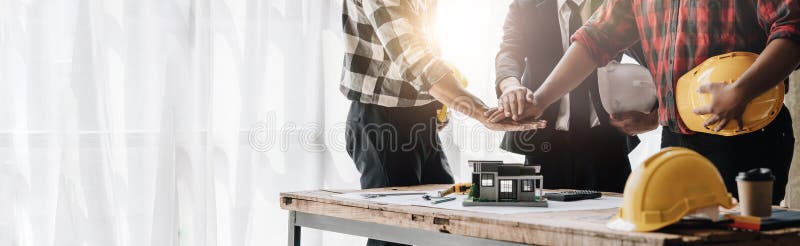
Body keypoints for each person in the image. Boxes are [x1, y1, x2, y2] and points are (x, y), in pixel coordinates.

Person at [489, 0, 800, 204]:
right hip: (677, 140)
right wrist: (541, 99)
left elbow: (793, 28)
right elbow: (595, 38)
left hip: (749, 138)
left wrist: (741, 90)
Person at [341, 1, 542, 245]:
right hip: (382, 121)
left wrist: (436, 102)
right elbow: (413, 58)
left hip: (420, 120)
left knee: (442, 223)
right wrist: (481, 112)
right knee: (394, 234)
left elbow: (426, 46)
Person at [494, 0, 656, 193]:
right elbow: (509, 52)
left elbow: (658, 60)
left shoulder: (616, 7)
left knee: (611, 219)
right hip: (544, 143)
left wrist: (655, 116)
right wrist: (510, 85)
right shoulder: (525, 5)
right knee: (540, 220)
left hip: (606, 144)